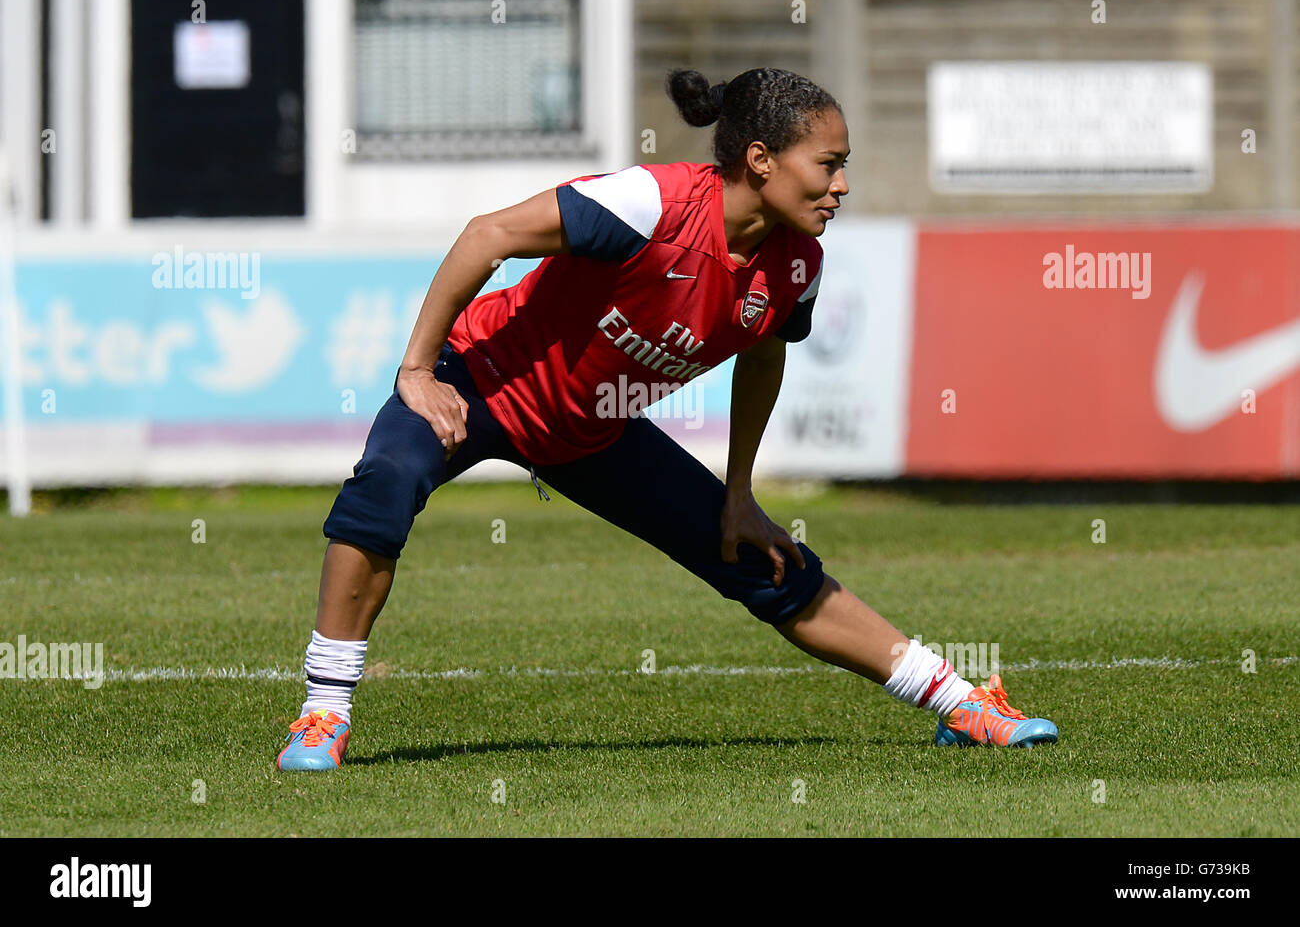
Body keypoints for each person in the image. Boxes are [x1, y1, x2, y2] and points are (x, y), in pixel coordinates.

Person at [276, 67, 1058, 770]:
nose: (842, 184)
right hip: (481, 377)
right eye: (829, 164)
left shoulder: (798, 266)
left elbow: (764, 355)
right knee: (386, 481)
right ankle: (322, 717)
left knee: (769, 563)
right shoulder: (651, 205)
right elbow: (489, 236)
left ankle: (959, 704)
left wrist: (740, 489)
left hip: (594, 429)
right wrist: (417, 369)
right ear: (760, 159)